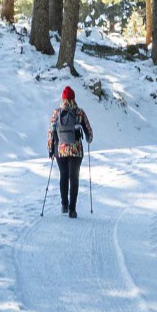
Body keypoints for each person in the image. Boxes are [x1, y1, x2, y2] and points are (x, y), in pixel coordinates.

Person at [48, 86, 94, 218]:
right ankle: (72, 209)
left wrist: (51, 149)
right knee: (74, 177)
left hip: (60, 150)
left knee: (63, 175)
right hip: (76, 150)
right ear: (73, 98)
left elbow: (50, 132)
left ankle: (64, 204)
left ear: (63, 99)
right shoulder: (79, 112)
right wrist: (89, 138)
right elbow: (89, 131)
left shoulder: (56, 113)